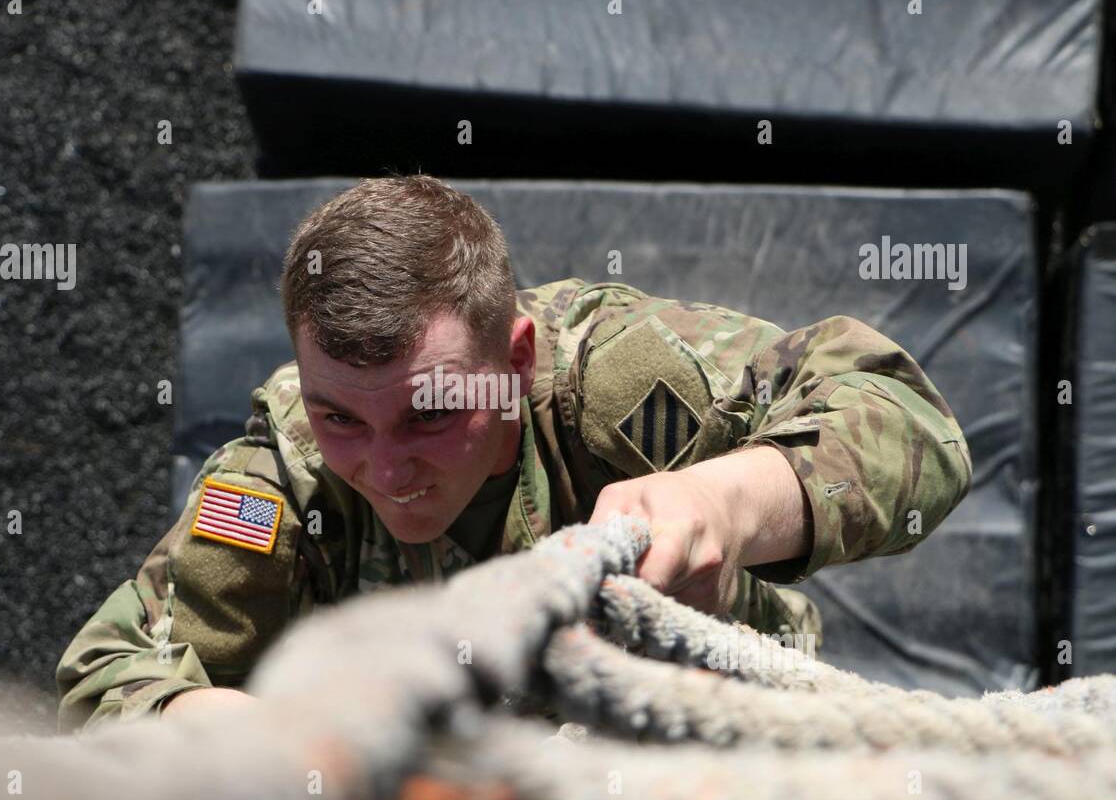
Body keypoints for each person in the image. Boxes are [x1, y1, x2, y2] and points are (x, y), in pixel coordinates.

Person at [56, 175, 972, 731]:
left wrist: (724, 503)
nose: (385, 469)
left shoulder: (615, 385)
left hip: (716, 749)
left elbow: (907, 417)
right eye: (343, 419)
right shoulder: (284, 483)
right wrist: (212, 723)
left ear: (517, 360)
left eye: (429, 414)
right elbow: (109, 666)